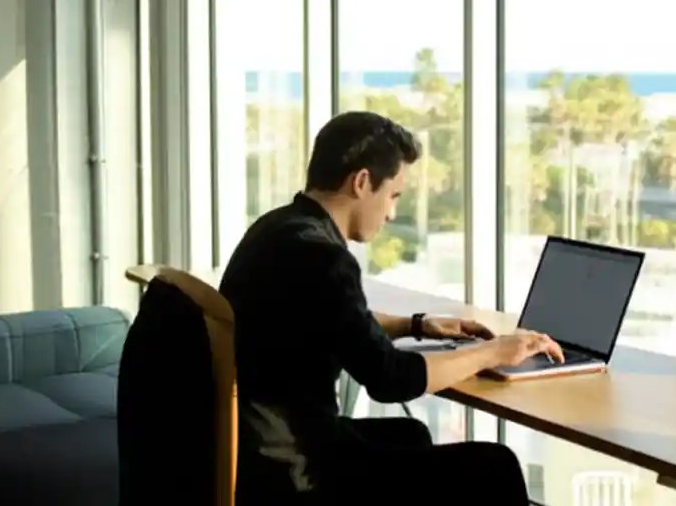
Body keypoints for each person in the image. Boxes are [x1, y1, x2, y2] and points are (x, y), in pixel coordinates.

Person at [219, 111, 563, 505]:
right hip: (299, 472)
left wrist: (415, 325)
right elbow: (391, 379)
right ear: (362, 182)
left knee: (409, 436)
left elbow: (327, 323)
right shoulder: (323, 257)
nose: (391, 213)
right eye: (393, 195)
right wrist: (496, 350)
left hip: (259, 450)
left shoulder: (277, 228)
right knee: (493, 466)